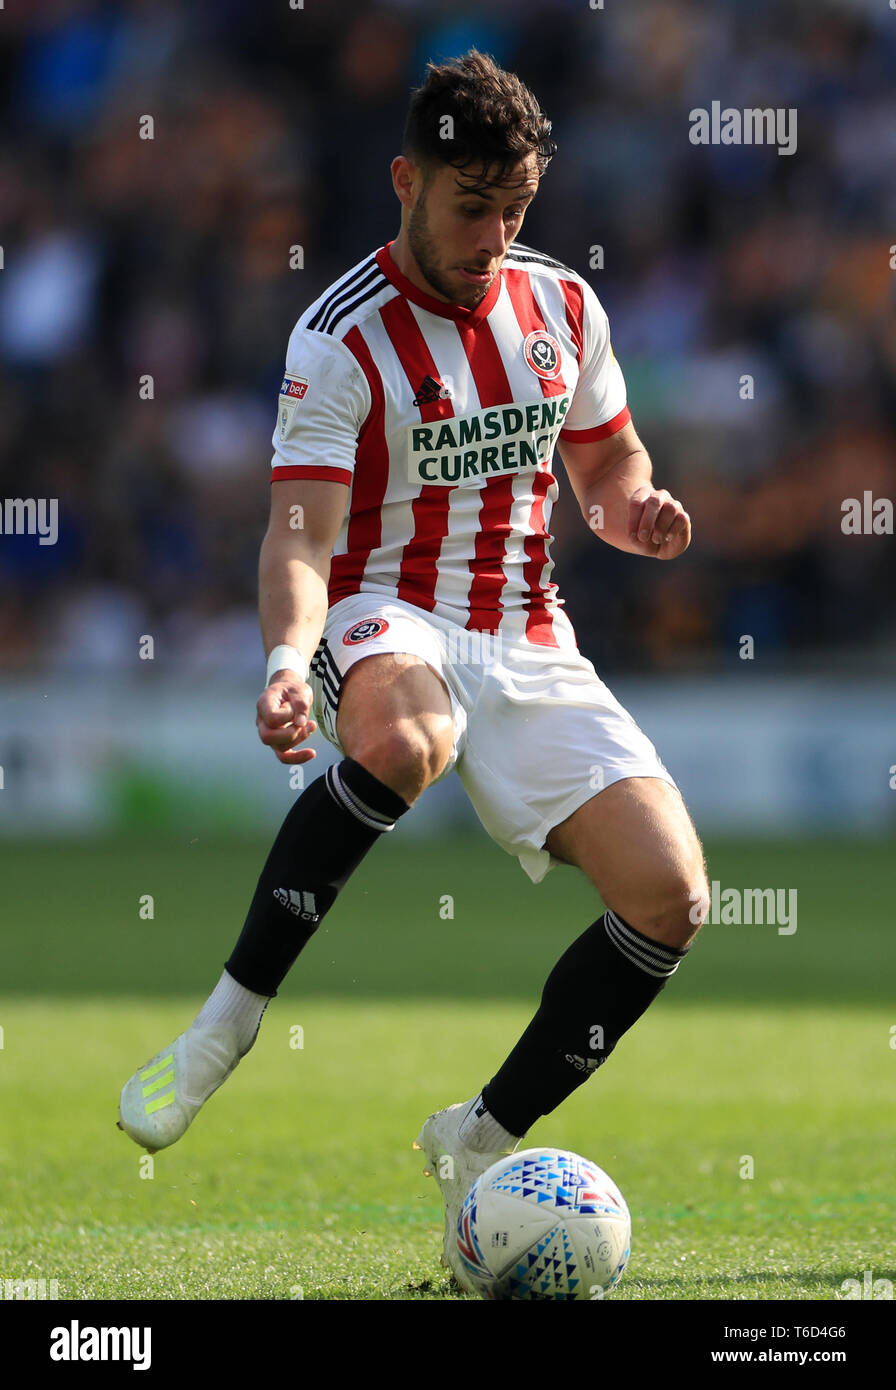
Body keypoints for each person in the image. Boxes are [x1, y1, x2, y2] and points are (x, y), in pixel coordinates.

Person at [118, 49, 709, 1295]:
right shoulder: (340, 336)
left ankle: (478, 1137)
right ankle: (224, 1027)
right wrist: (287, 656)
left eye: (515, 208)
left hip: (528, 632)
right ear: (406, 179)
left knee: (670, 897)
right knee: (404, 744)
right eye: (469, 205)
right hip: (384, 610)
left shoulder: (562, 308)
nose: (495, 234)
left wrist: (637, 509)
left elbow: (606, 470)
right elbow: (301, 536)